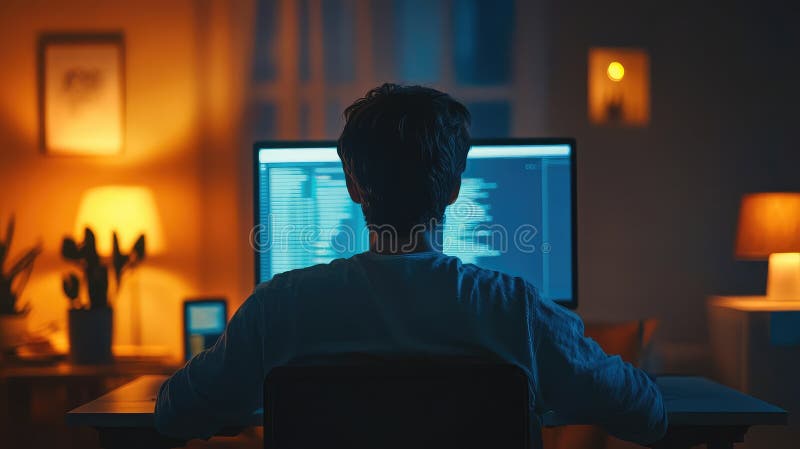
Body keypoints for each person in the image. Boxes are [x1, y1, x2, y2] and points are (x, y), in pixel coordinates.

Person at [155, 84, 667, 445]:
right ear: (453, 188)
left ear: (354, 188)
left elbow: (174, 414)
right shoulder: (518, 312)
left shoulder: (274, 310)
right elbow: (645, 414)